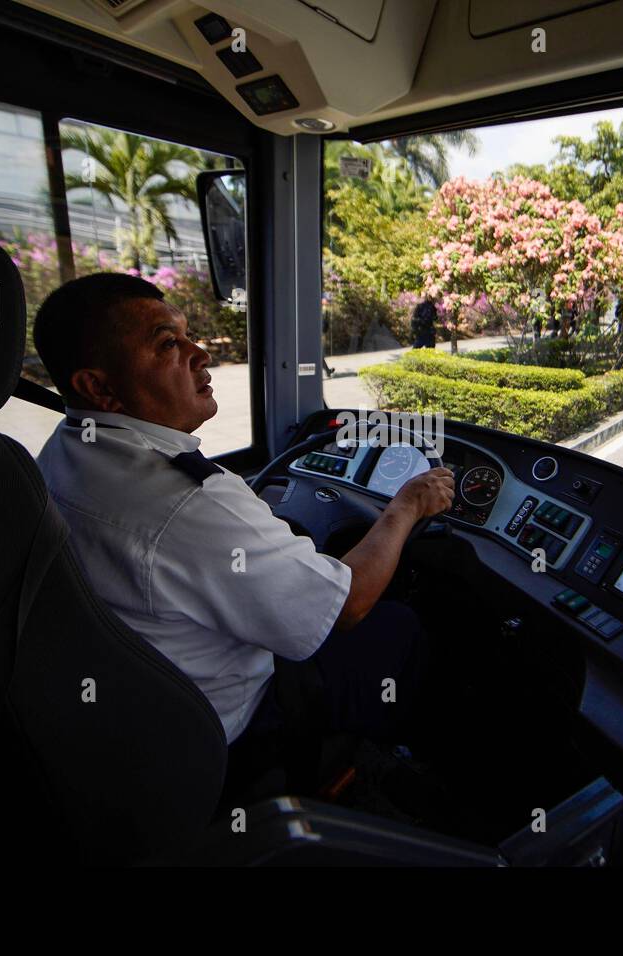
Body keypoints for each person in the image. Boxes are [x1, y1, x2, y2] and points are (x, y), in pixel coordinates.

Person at [32, 273, 454, 786]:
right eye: (168, 344)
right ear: (98, 387)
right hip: (227, 727)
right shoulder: (188, 499)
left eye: (188, 335)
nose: (200, 354)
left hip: (129, 706)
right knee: (399, 627)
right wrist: (407, 505)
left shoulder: (63, 448)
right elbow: (347, 606)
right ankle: (412, 767)